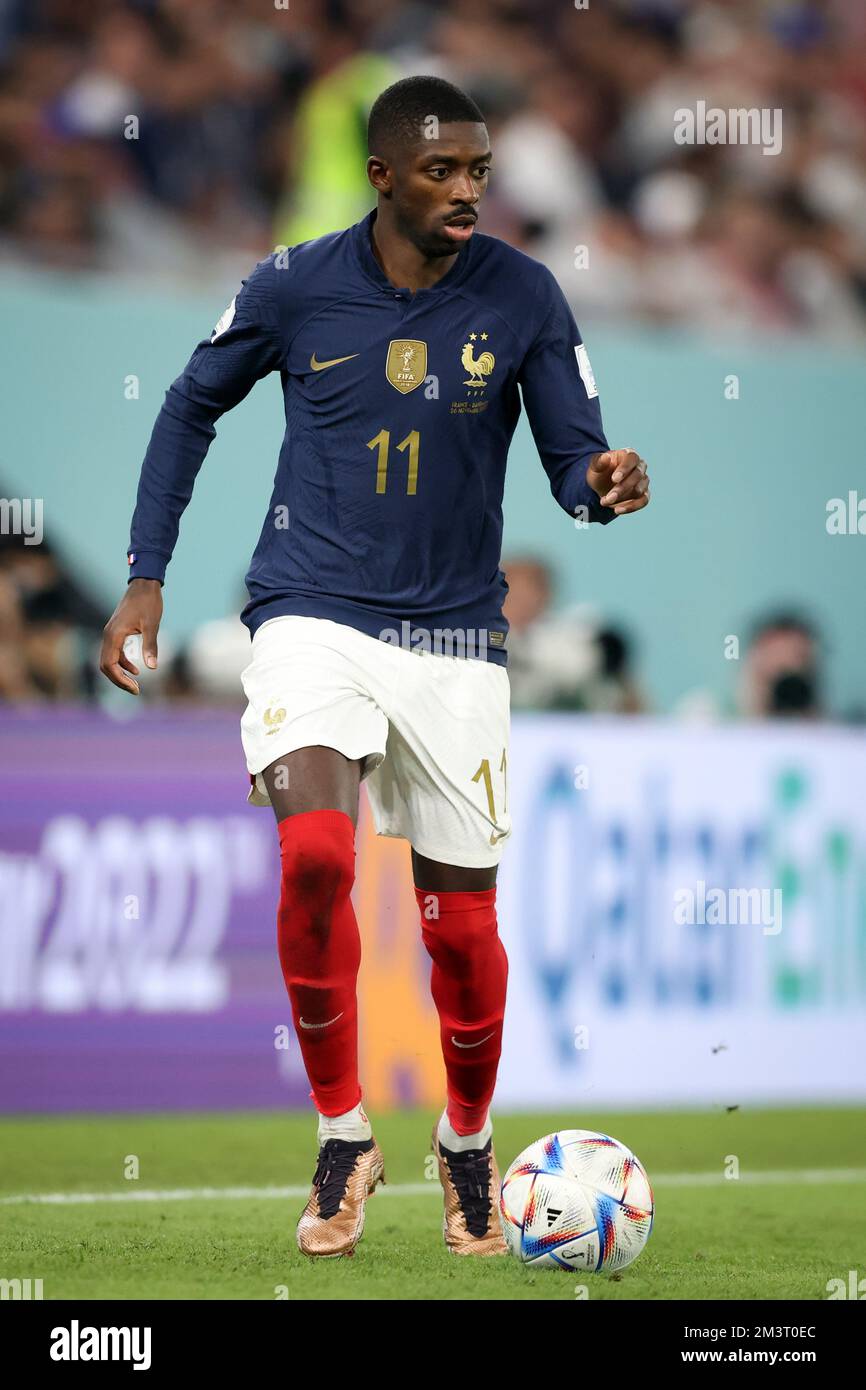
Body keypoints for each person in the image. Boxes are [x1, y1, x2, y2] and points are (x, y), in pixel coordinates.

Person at [99, 75, 650, 1260]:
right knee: (313, 856)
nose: (467, 191)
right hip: (312, 613)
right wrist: (148, 570)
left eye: (478, 172)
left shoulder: (523, 294)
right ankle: (344, 1132)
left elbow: (569, 458)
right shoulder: (292, 284)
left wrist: (599, 487)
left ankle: (463, 1142)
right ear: (383, 175)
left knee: (456, 930)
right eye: (443, 170)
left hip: (456, 639)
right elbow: (188, 409)